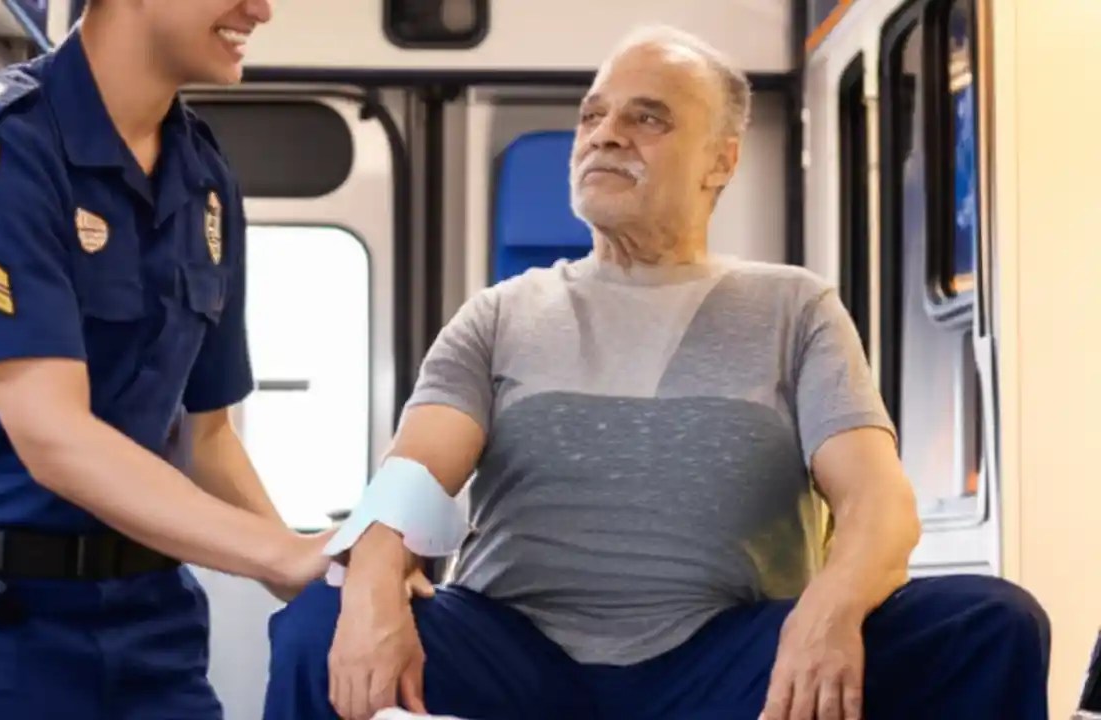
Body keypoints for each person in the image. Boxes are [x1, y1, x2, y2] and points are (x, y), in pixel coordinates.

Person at [263, 24, 1052, 720]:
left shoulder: (794, 309)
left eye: (648, 117)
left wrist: (827, 612)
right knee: (313, 624)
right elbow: (408, 482)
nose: (606, 134)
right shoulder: (500, 315)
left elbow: (881, 507)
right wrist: (370, 583)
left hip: (725, 658)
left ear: (721, 161)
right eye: (593, 115)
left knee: (992, 623)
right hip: (519, 652)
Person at [0, 1, 330, 718]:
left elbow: (206, 438)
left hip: (154, 629)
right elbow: (54, 436)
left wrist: (316, 569)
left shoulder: (206, 178)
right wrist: (279, 554)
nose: (262, 8)